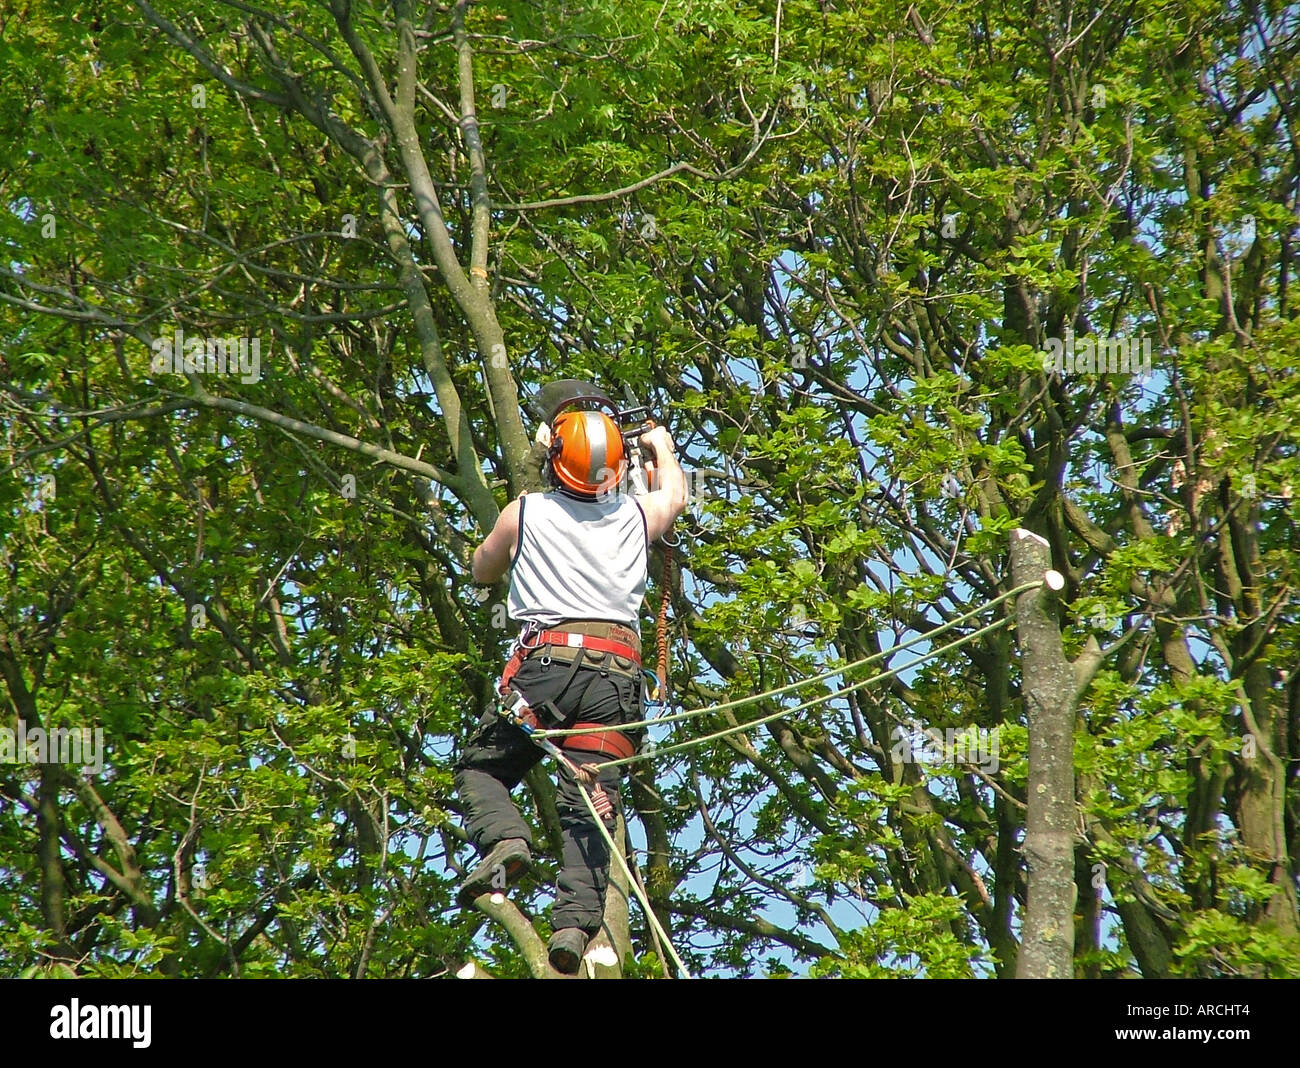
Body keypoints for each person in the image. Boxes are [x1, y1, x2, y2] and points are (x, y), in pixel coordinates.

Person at [455, 402, 687, 974]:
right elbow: (675, 497)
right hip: (617, 678)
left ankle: (506, 842)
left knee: (480, 769)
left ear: (555, 460)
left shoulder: (524, 512)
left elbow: (482, 568)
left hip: (547, 667)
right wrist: (661, 446)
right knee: (592, 806)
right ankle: (573, 928)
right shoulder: (637, 516)